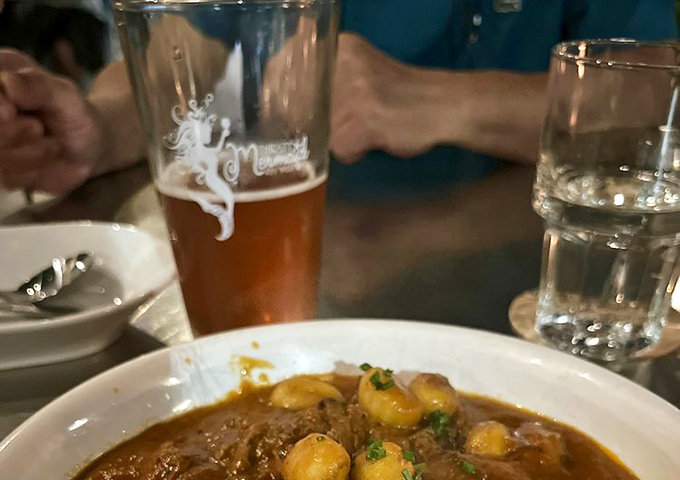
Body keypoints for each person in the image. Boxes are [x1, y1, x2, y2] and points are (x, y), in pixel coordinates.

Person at [0, 0, 676, 196]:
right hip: (321, 275)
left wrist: (443, 101)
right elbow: (180, 42)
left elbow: (658, 94)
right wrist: (102, 125)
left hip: (528, 271)